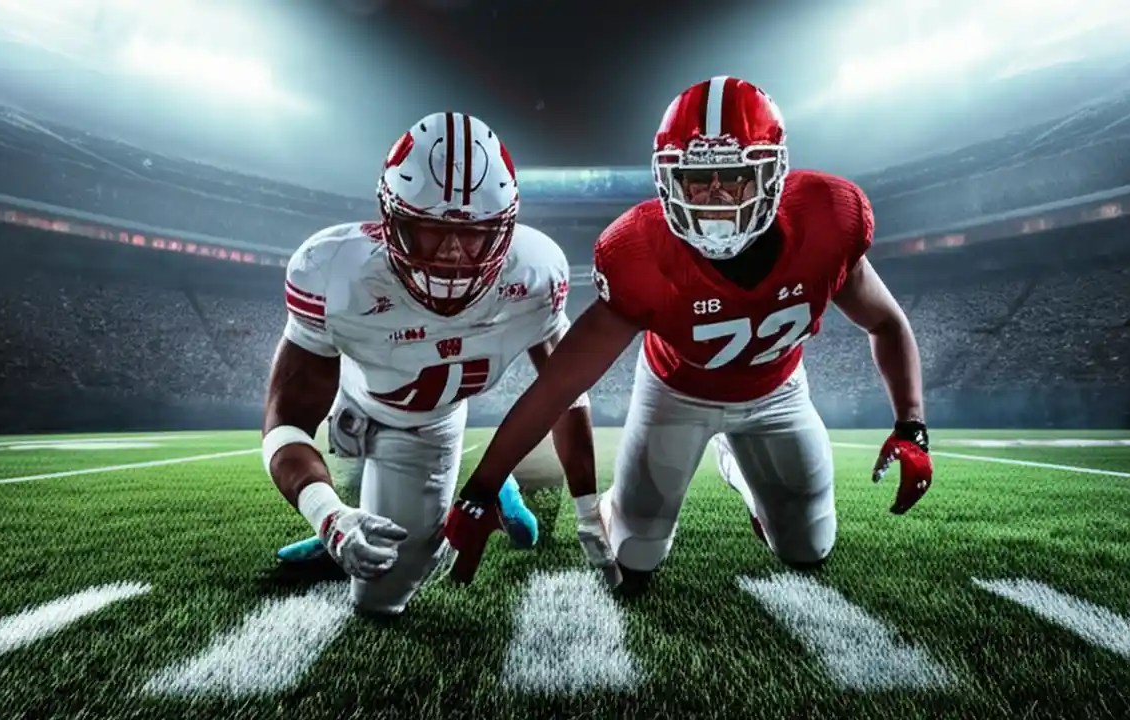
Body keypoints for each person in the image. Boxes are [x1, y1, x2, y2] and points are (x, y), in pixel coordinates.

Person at [443, 76, 933, 590]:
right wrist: (481, 489)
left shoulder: (827, 219)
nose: (715, 196)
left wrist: (912, 426)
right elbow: (559, 385)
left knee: (807, 547)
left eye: (734, 176)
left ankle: (738, 465)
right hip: (676, 393)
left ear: (772, 175)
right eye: (698, 179)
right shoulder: (640, 252)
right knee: (634, 556)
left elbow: (885, 322)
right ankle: (619, 507)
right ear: (668, 181)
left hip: (777, 392)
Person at [261, 112, 596, 614]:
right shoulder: (333, 271)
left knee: (380, 597)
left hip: (425, 424)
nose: (452, 255)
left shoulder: (534, 275)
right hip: (351, 398)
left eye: (473, 233)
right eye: (429, 230)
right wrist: (328, 516)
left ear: (504, 229)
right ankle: (356, 521)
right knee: (353, 497)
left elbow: (567, 390)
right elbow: (285, 423)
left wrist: (587, 507)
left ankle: (475, 504)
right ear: (390, 220)